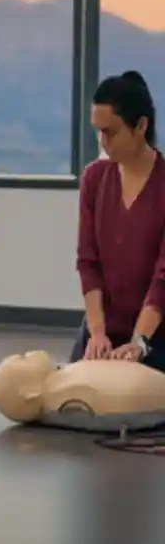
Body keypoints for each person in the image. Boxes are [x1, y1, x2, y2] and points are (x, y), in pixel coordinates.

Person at [74, 71, 165, 369]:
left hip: (156, 334)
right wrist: (97, 333)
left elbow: (163, 279)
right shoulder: (94, 179)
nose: (103, 141)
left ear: (140, 126)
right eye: (97, 131)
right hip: (104, 330)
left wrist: (139, 341)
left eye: (110, 132)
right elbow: (88, 262)